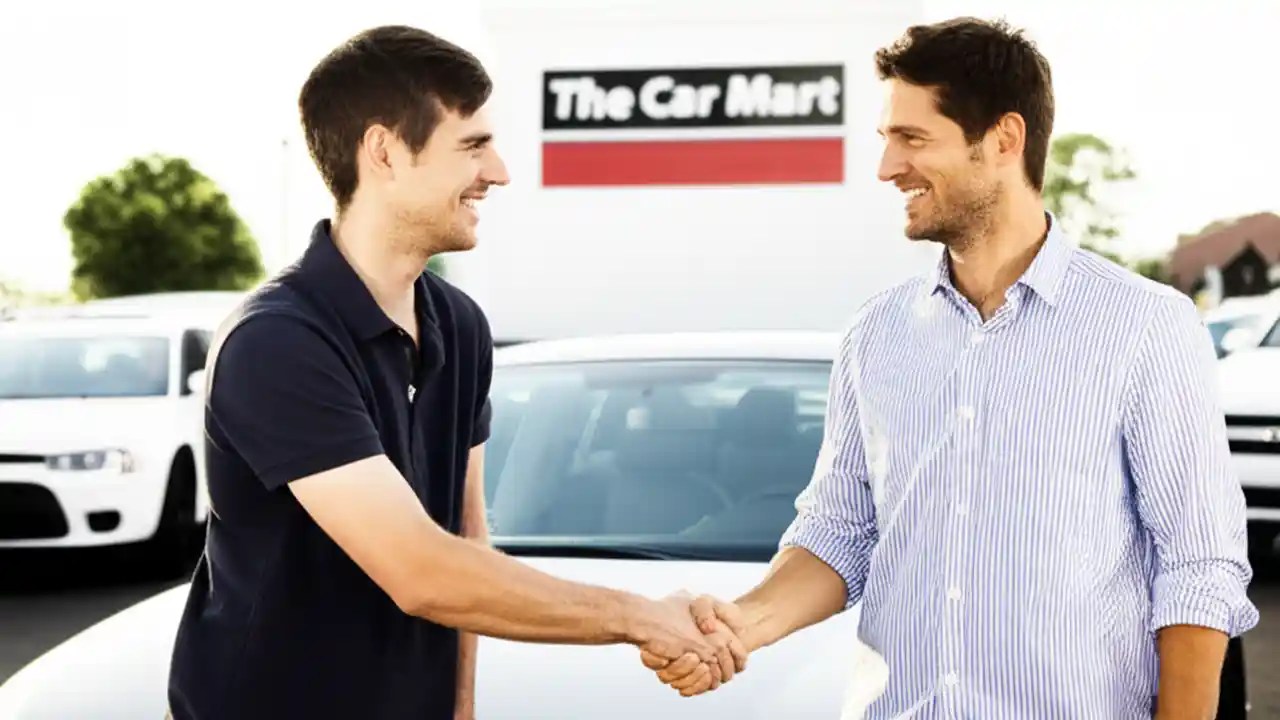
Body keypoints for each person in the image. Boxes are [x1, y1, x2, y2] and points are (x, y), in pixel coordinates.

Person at [643, 16, 1259, 718]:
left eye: (912, 139)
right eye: (886, 140)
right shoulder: (876, 334)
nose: (886, 167)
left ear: (1003, 139)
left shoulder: (1145, 326)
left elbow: (1198, 565)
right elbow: (840, 534)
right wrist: (738, 626)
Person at [165, 25, 743, 720]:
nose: (498, 172)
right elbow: (421, 572)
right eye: (472, 145)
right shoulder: (277, 342)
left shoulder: (460, 326)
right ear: (383, 152)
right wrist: (641, 616)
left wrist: (460, 707)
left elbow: (466, 546)